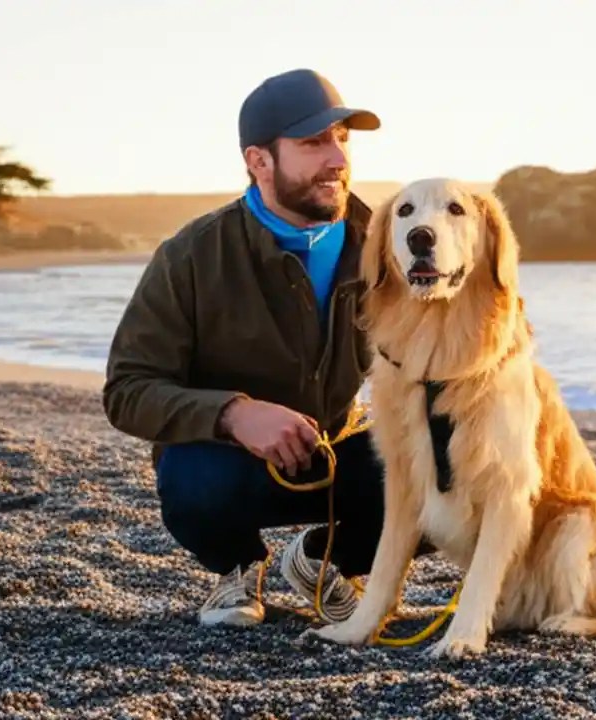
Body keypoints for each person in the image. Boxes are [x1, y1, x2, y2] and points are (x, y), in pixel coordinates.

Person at [103, 68, 402, 628]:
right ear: (259, 160)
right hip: (230, 467)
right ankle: (238, 567)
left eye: (342, 139)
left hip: (338, 454)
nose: (337, 159)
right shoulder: (192, 255)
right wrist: (235, 415)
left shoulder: (385, 245)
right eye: (313, 142)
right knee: (192, 481)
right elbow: (127, 390)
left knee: (452, 468)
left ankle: (322, 562)